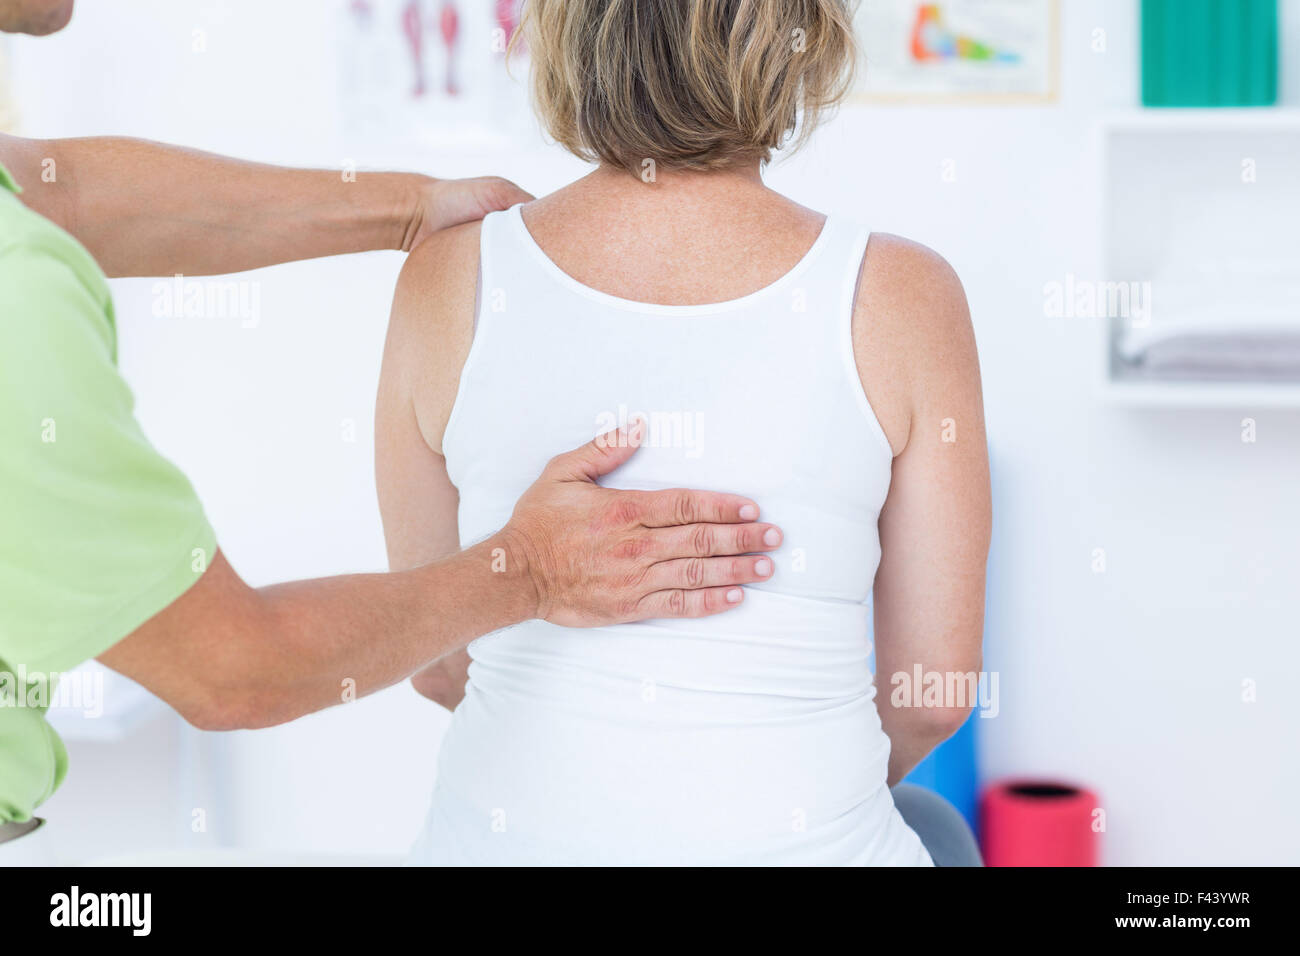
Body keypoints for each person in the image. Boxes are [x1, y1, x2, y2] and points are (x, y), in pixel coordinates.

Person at [0, 0, 783, 860]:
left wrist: (411, 210)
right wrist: (528, 569)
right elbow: (233, 671)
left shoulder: (455, 278)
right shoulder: (895, 292)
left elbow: (53, 188)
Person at [378, 0, 991, 865]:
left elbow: (436, 660)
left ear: (567, 37)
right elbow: (935, 694)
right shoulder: (904, 294)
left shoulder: (445, 278)